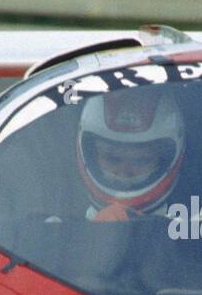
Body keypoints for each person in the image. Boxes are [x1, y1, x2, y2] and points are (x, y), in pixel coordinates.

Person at [76, 84, 185, 222]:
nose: (125, 171)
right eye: (112, 159)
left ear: (164, 162)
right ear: (91, 157)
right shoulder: (54, 232)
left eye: (141, 161)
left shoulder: (197, 233)